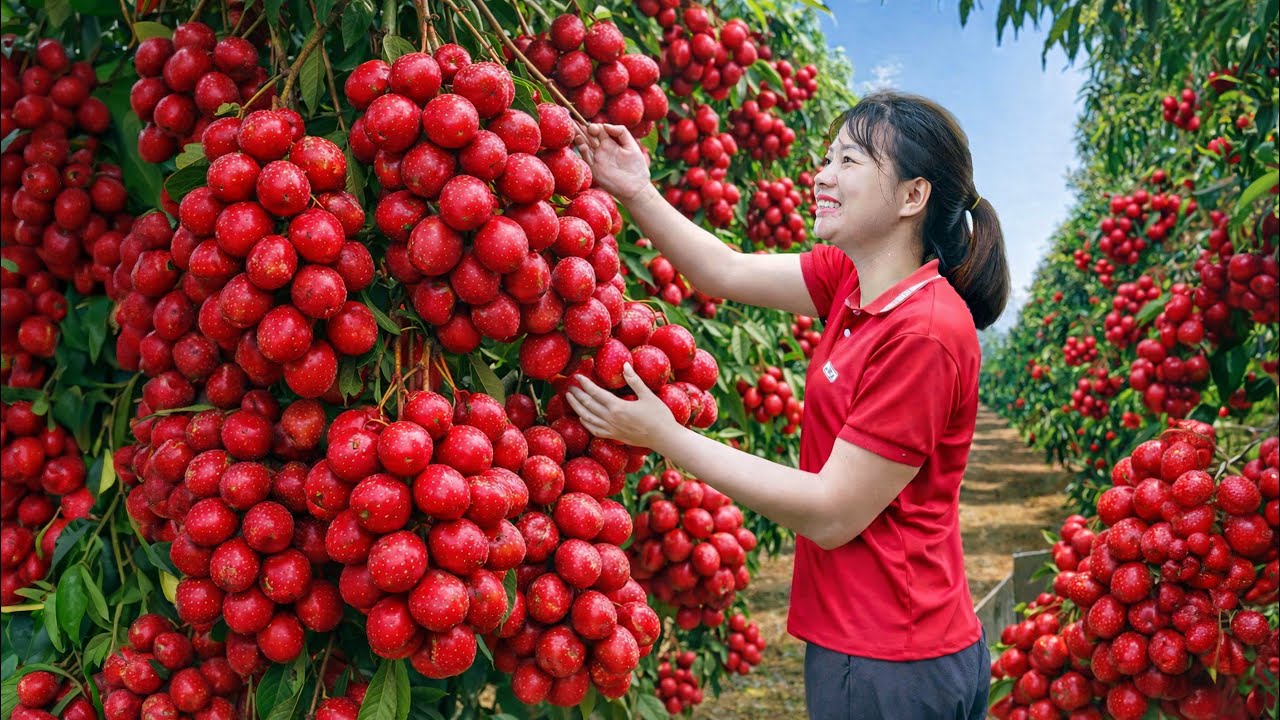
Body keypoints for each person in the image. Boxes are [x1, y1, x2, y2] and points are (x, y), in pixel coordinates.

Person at [566, 90, 1010, 720]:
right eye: (827, 158)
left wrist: (667, 436)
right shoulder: (850, 279)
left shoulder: (925, 332)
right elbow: (722, 271)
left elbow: (832, 513)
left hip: (889, 655)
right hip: (880, 644)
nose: (822, 175)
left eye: (850, 161)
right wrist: (635, 187)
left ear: (913, 197)